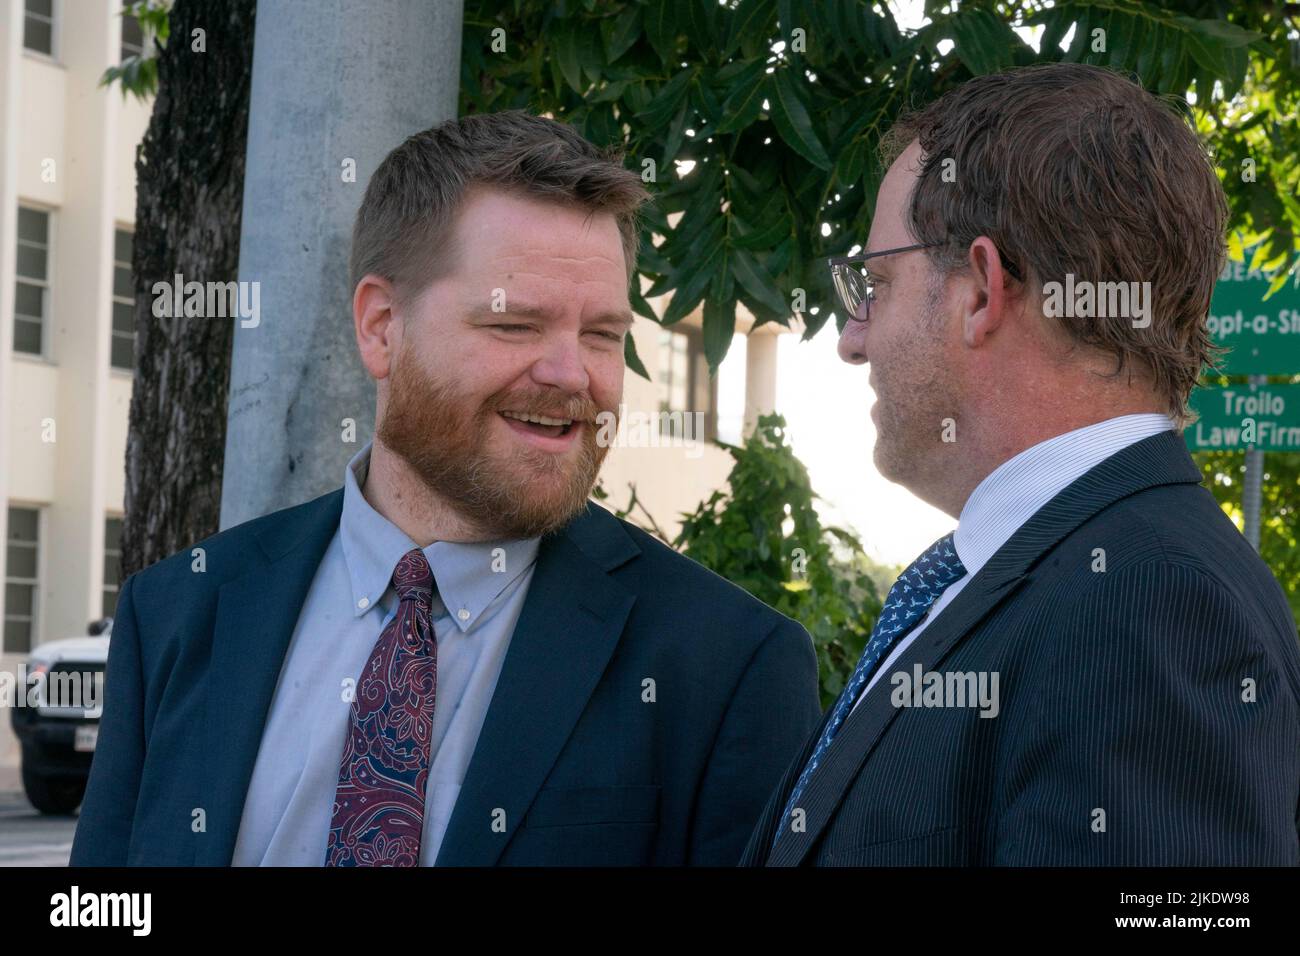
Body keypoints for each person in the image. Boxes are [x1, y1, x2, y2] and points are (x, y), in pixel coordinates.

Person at [71, 110, 820, 867]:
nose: (572, 375)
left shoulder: (725, 667)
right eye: (516, 324)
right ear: (381, 327)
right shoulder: (177, 613)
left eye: (602, 334)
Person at [743, 63, 1300, 866]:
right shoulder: (1069, 575)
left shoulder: (1146, 602)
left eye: (876, 282)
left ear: (981, 290)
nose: (852, 338)